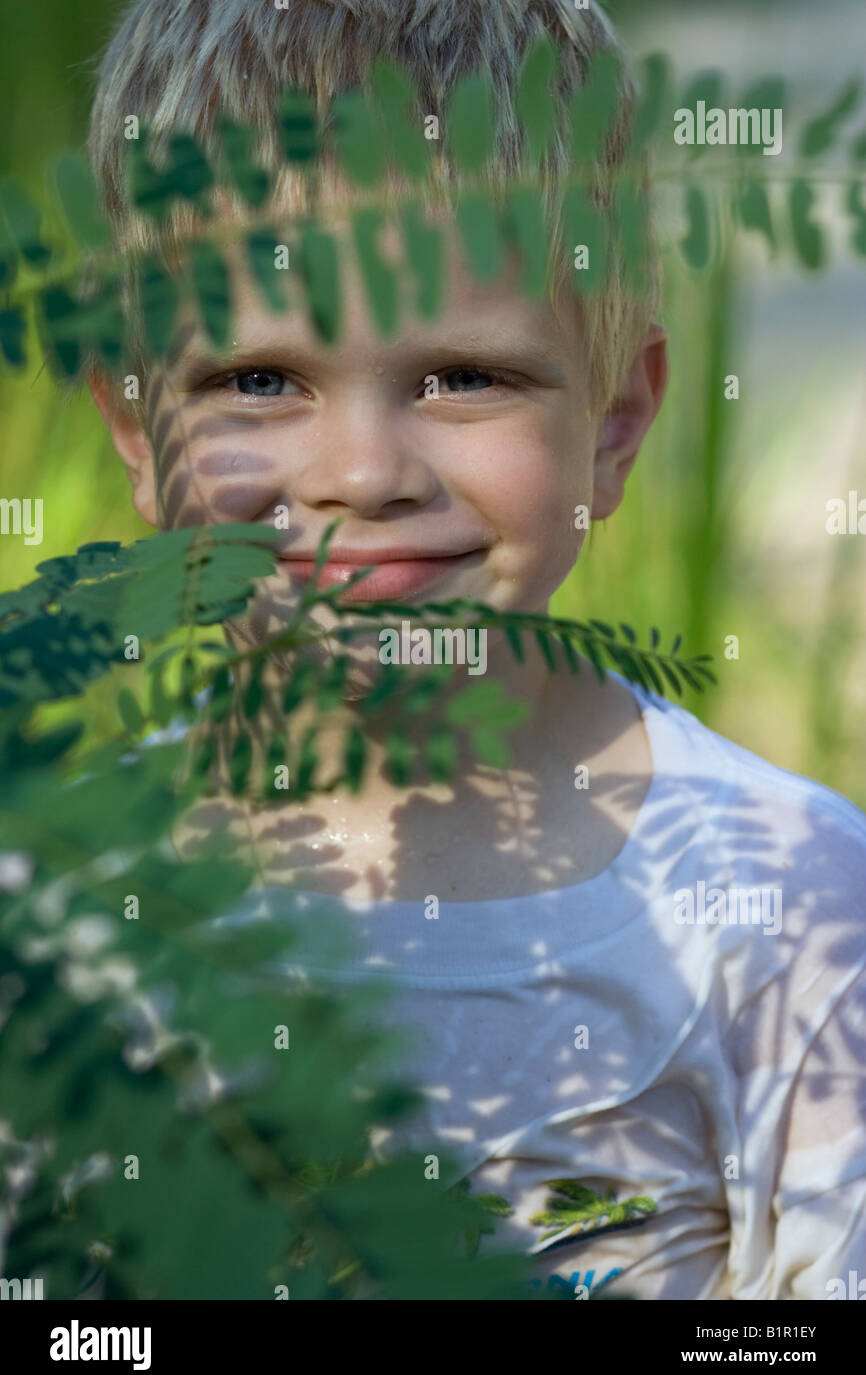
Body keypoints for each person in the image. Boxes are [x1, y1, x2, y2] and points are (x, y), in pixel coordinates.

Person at [83, 0, 865, 1299]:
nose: (362, 475)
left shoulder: (791, 903)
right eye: (258, 381)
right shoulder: (55, 898)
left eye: (461, 377)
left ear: (613, 424)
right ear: (135, 429)